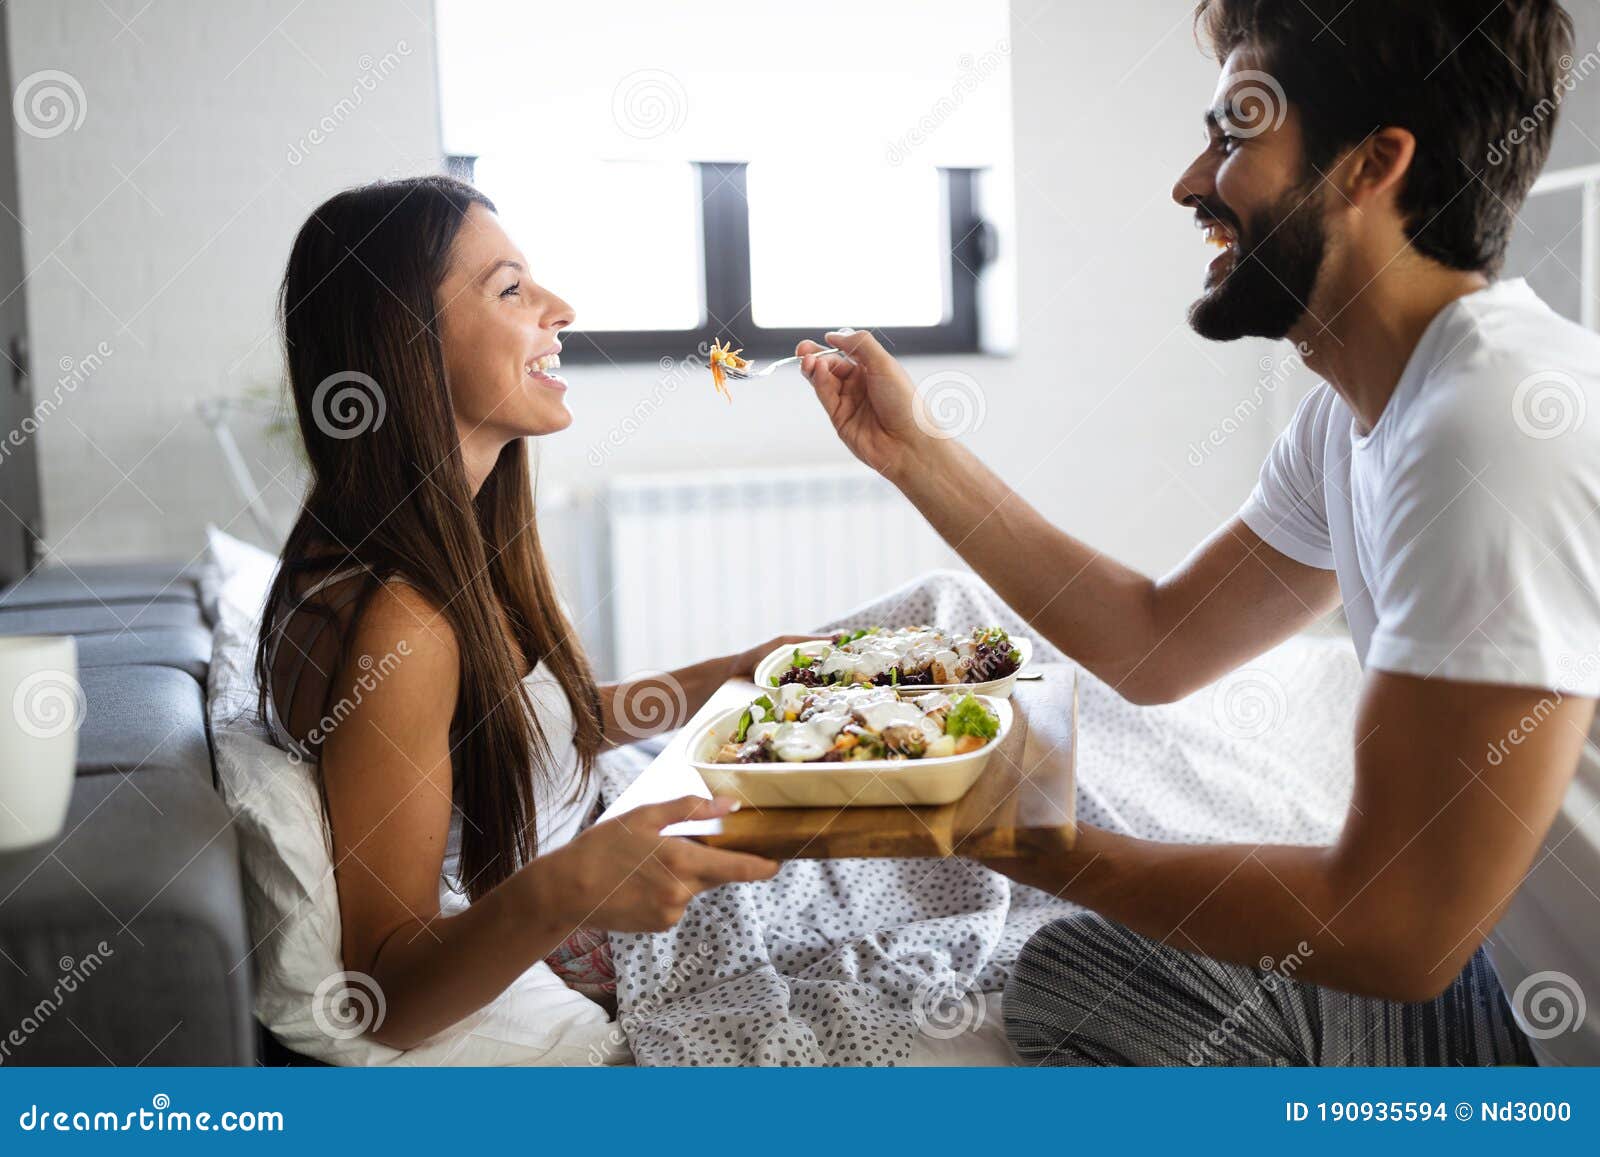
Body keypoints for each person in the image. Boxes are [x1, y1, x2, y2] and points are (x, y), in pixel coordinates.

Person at [798, 0, 1598, 1066]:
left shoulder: (1494, 424)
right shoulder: (1353, 415)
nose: (1189, 182)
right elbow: (1155, 640)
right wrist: (914, 453)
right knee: (1079, 977)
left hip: (1540, 1045)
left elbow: (1396, 934)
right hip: (1490, 979)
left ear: (1372, 165)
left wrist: (986, 824)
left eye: (1233, 134)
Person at [255, 175, 797, 1049]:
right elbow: (381, 995)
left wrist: (742, 672)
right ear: (407, 343)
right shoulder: (400, 624)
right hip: (621, 925)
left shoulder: (446, 543)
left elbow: (530, 729)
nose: (562, 308)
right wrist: (573, 884)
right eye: (510, 289)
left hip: (610, 820)